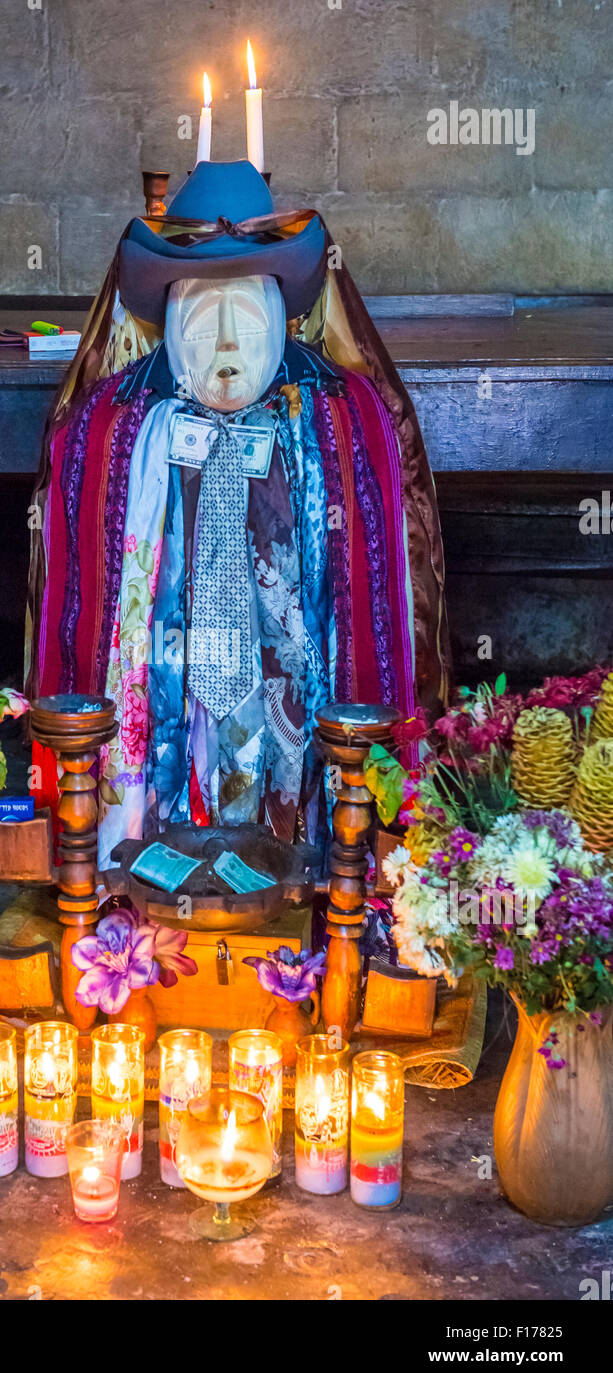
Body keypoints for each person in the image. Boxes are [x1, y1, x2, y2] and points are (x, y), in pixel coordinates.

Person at [27, 160, 449, 864]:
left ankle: (316, 851)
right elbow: (80, 602)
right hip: (164, 694)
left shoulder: (342, 421)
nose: (224, 346)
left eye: (245, 320)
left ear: (285, 323)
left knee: (299, 778)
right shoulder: (110, 425)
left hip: (296, 702)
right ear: (165, 329)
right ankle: (142, 847)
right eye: (201, 320)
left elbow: (377, 600)